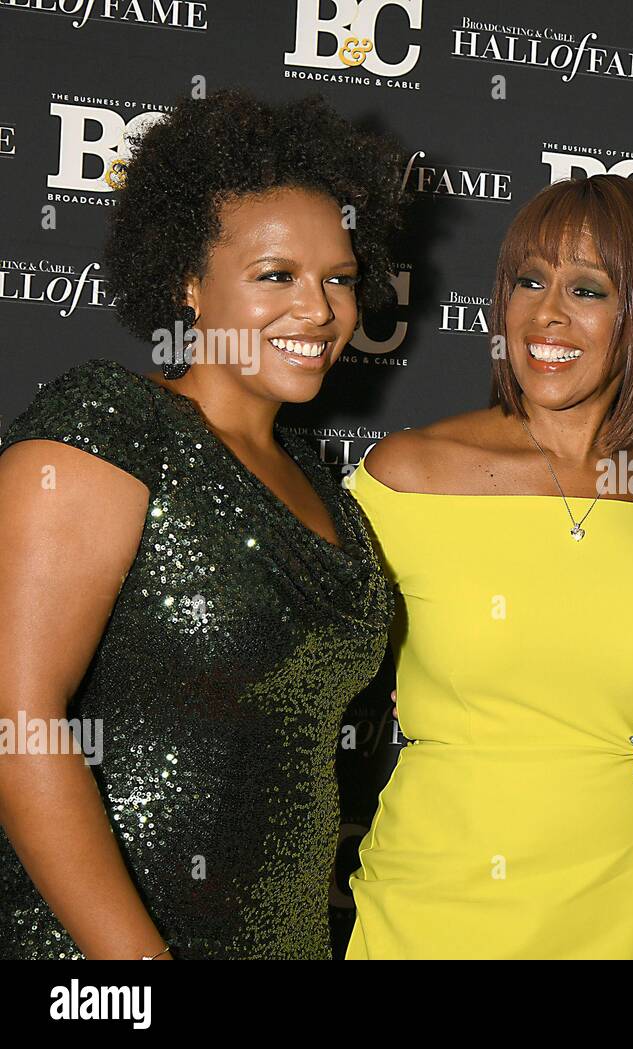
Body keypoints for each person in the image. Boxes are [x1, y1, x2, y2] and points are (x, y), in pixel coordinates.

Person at [0, 88, 405, 959]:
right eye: (276, 276)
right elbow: (16, 717)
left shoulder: (330, 496)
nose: (320, 309)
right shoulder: (110, 426)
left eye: (339, 276)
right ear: (189, 281)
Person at [344, 174, 633, 959]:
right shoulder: (411, 473)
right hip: (444, 904)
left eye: (587, 288)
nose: (546, 314)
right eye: (530, 280)